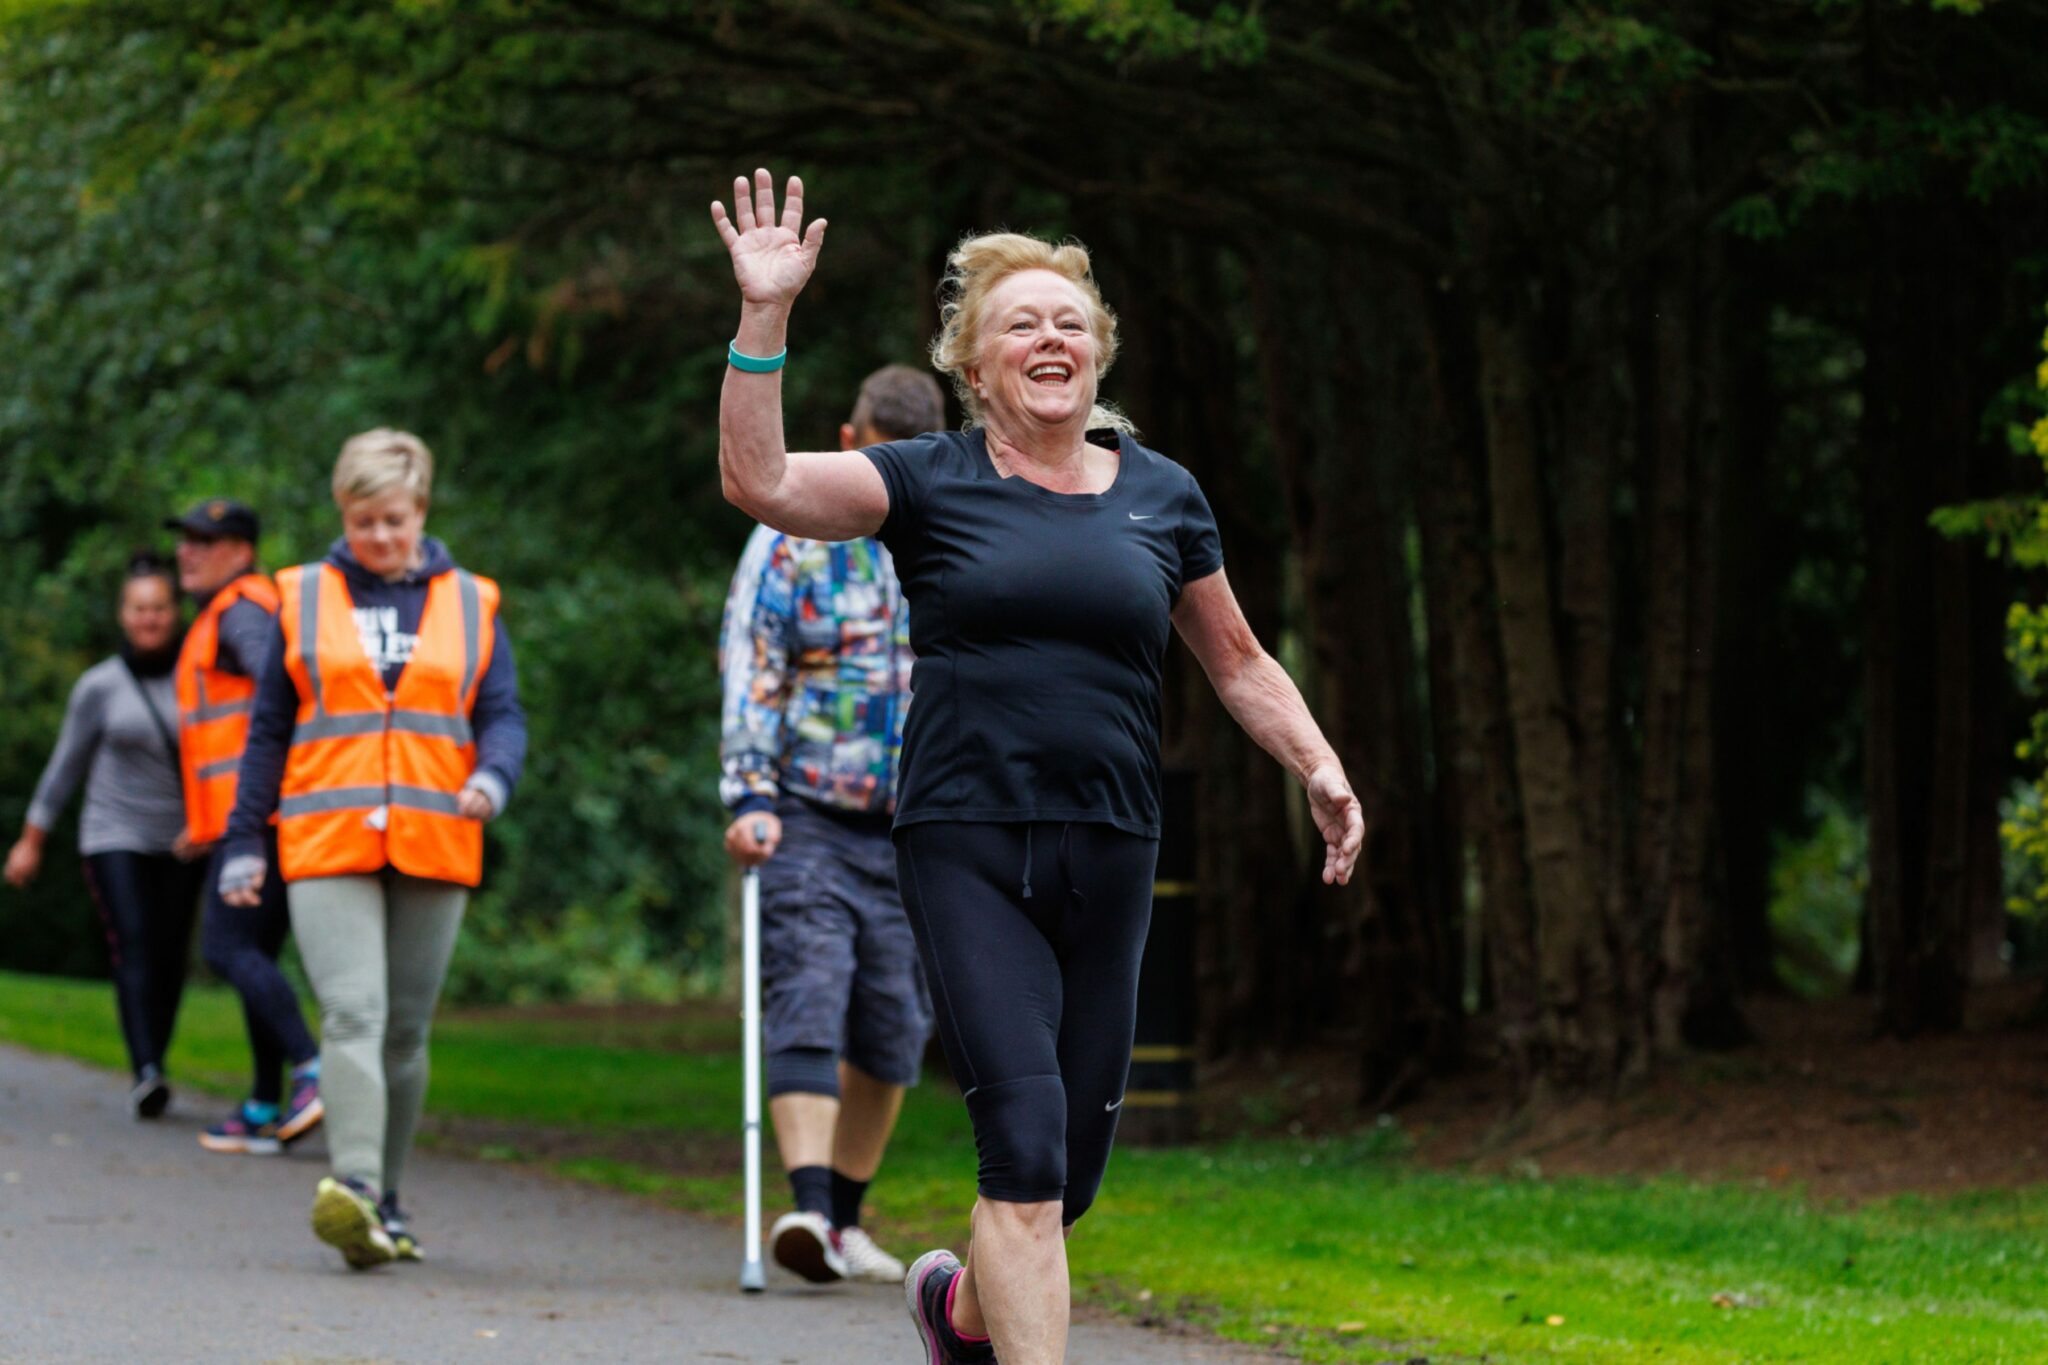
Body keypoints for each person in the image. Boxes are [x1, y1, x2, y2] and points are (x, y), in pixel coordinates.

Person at [710, 171, 1363, 1364]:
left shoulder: (1164, 496)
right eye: (1020, 322)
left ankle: (955, 1310)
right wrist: (763, 321)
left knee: (1064, 1184)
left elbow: (1237, 660)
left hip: (1112, 843)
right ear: (974, 362)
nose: (1049, 337)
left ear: (1099, 353)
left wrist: (1316, 762)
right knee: (1018, 1151)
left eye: (1069, 320)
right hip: (964, 837)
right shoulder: (927, 480)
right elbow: (759, 483)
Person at [218, 429, 526, 1271]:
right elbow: (269, 729)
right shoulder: (302, 594)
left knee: (407, 1033)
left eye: (392, 519)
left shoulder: (473, 601)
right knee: (354, 1012)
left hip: (436, 829)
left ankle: (384, 1203)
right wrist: (244, 841)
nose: (379, 537)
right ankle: (350, 1190)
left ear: (421, 510)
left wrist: (494, 778)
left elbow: (501, 713)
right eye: (362, 522)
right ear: (341, 516)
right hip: (324, 833)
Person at [719, 364, 944, 1286]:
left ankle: (843, 1221)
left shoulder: (948, 527)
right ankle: (807, 1209)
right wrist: (750, 793)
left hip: (919, 822)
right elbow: (754, 657)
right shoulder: (793, 533)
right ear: (848, 444)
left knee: (896, 1024)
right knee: (810, 989)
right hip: (806, 809)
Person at [5, 554, 204, 1117]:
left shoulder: (200, 676)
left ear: (175, 611)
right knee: (135, 940)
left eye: (160, 608)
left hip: (183, 839)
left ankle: (154, 1058)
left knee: (168, 954)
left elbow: (221, 757)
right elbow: (64, 766)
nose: (150, 619)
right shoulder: (99, 686)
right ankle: (146, 1070)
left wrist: (211, 820)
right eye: (139, 608)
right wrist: (32, 840)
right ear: (123, 614)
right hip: (113, 831)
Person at [164, 497, 325, 1156]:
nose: (188, 551)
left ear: (241, 551)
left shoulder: (243, 611)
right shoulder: (222, 616)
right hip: (249, 820)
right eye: (187, 538)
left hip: (263, 820)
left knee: (227, 948)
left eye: (206, 539)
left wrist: (243, 826)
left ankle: (311, 1070)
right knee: (247, 949)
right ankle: (263, 1101)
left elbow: (276, 688)